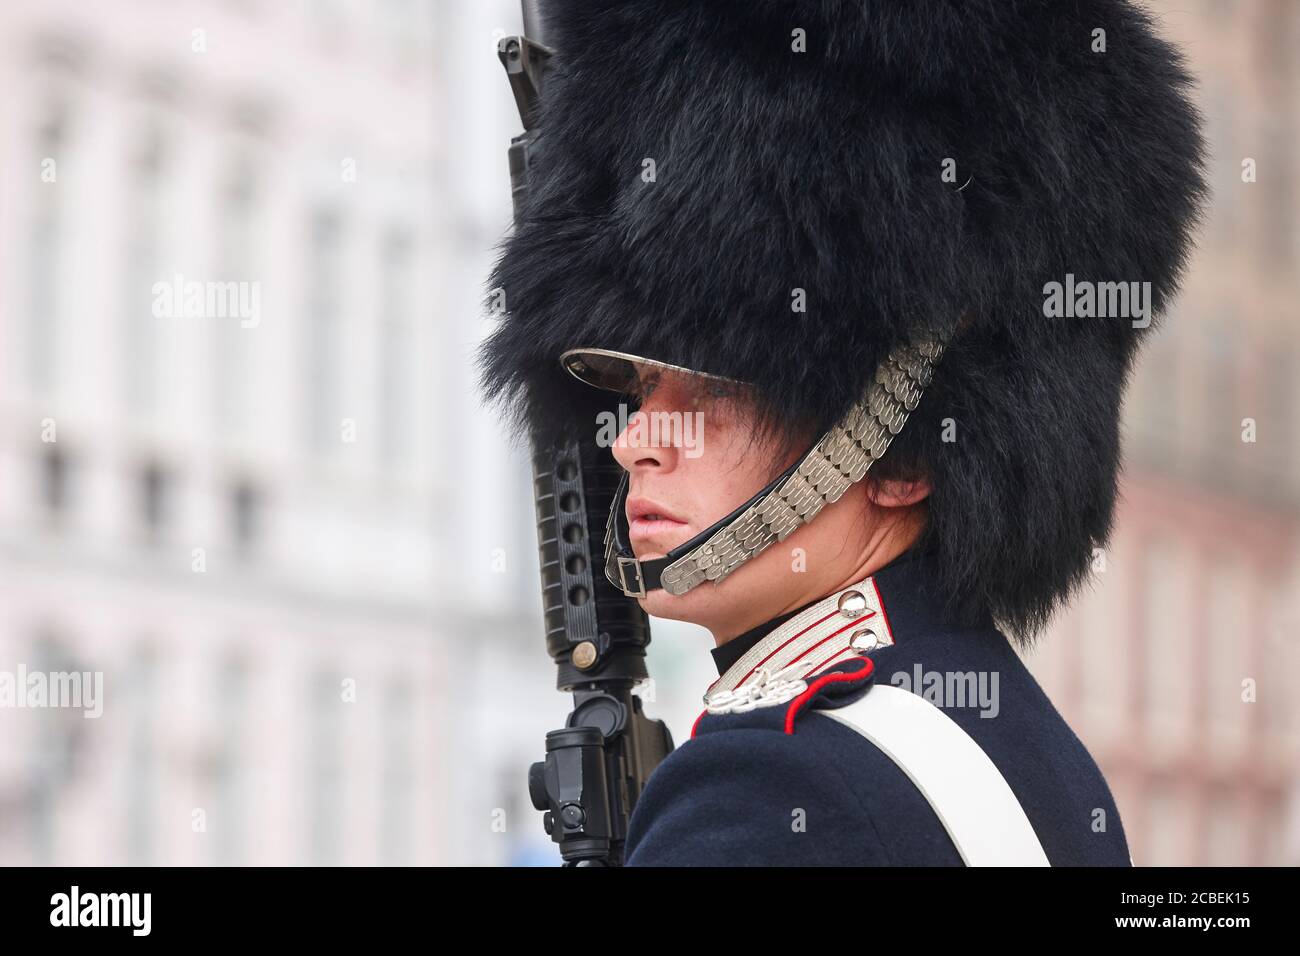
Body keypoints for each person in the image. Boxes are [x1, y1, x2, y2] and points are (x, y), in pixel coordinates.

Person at [479, 0, 1206, 865]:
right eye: (637, 386)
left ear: (903, 456)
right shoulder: (1033, 754)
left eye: (712, 390)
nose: (635, 439)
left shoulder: (771, 791)